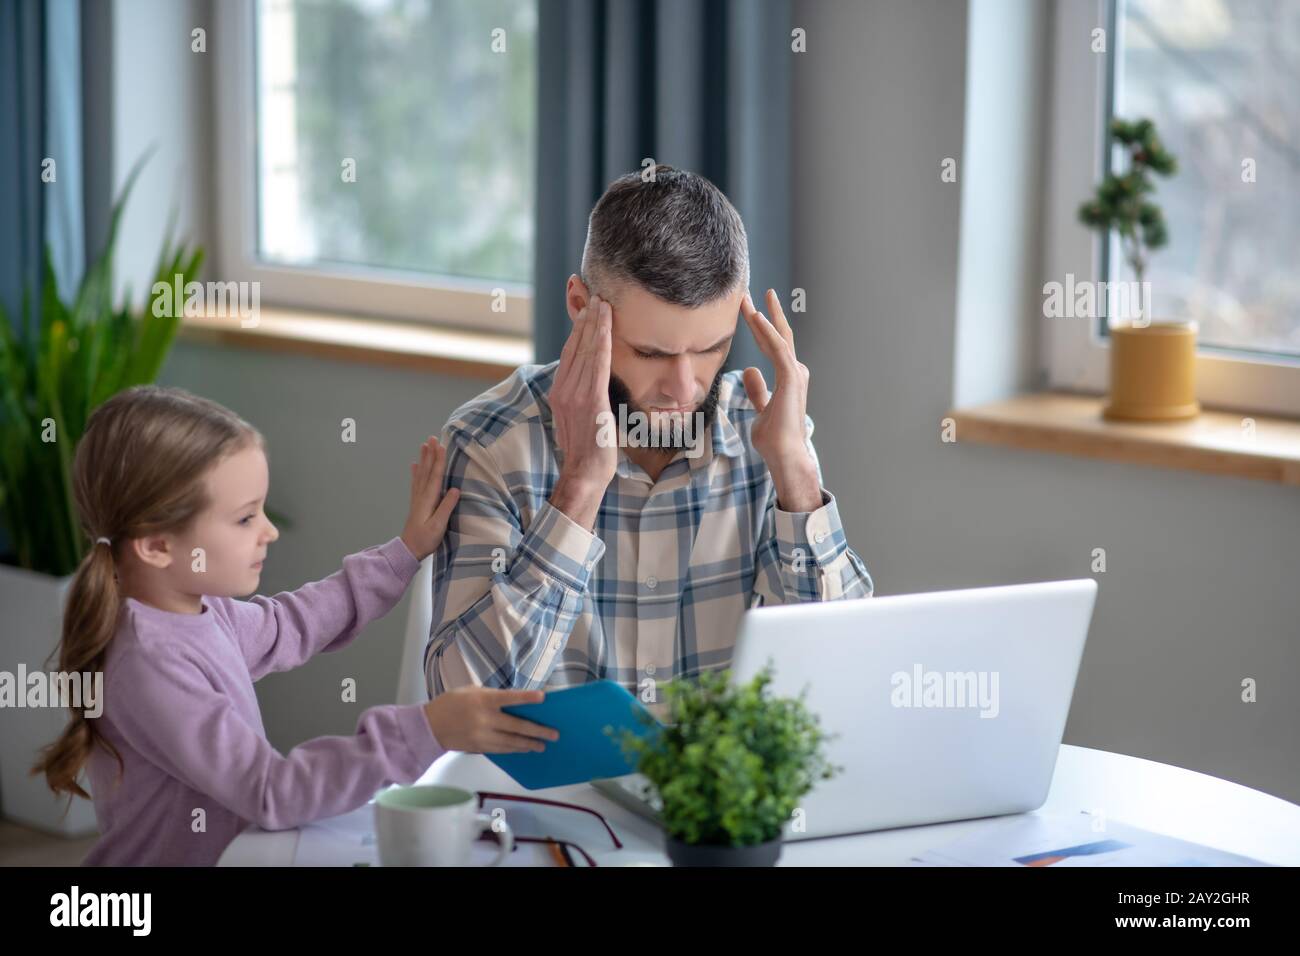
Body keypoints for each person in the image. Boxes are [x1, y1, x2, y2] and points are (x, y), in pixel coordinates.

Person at [33, 385, 558, 866]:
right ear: (156, 546)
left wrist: (405, 552)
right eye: (245, 518)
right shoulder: (150, 663)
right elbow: (271, 791)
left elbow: (295, 622)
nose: (269, 532)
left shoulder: (201, 609)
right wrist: (426, 729)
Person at [426, 165, 873, 699]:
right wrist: (579, 490)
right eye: (651, 353)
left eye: (711, 348)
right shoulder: (491, 445)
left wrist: (796, 475)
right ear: (579, 306)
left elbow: (842, 681)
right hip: (550, 786)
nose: (683, 388)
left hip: (714, 784)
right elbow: (460, 701)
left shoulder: (769, 437)